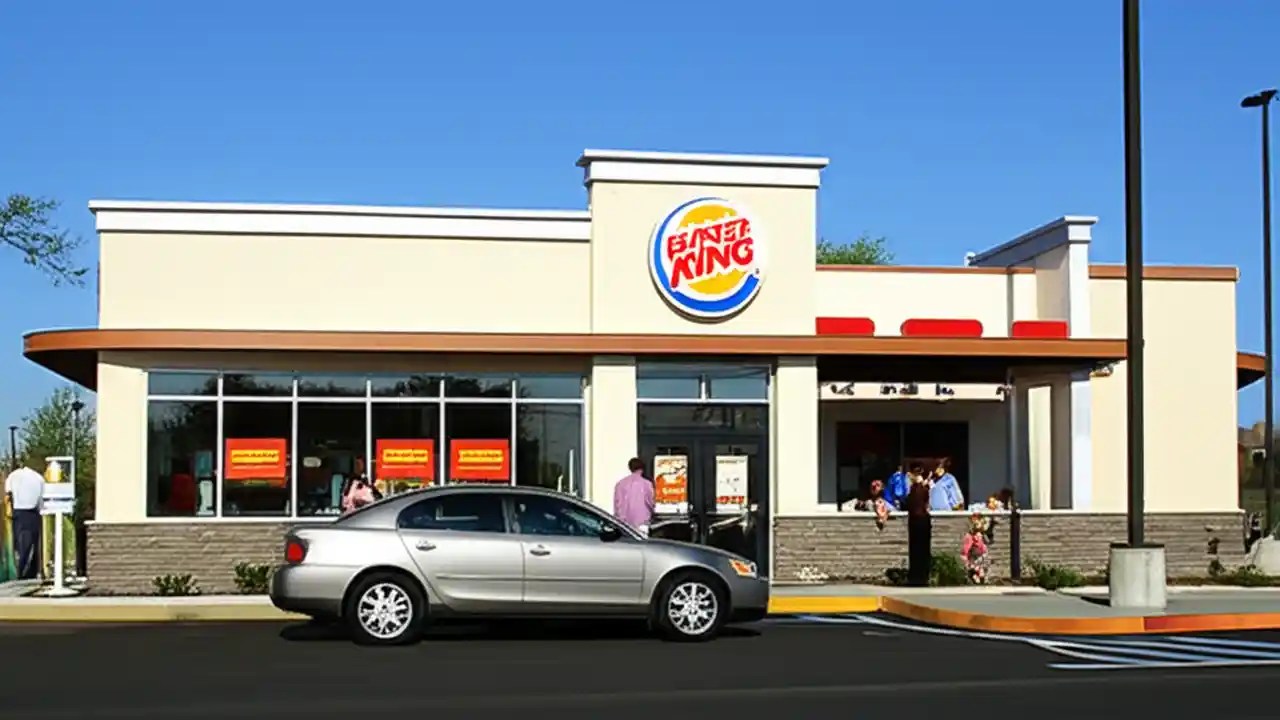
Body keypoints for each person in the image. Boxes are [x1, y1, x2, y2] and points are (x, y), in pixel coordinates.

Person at [4, 463, 44, 580]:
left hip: (19, 512)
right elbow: (42, 499)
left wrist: (9, 511)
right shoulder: (38, 477)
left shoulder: (13, 476)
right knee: (35, 543)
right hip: (34, 512)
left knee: (21, 543)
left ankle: (21, 572)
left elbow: (8, 495)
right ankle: (32, 570)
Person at [904, 463, 932, 587]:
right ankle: (918, 576)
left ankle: (919, 576)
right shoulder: (916, 488)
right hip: (918, 521)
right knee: (918, 550)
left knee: (920, 550)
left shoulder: (919, 489)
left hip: (919, 521)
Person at [613, 457, 654, 536]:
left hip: (624, 524)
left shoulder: (620, 484)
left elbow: (616, 505)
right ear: (642, 468)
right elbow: (650, 502)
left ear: (630, 468)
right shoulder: (646, 484)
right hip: (641, 522)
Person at [961, 513, 990, 584]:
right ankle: (974, 576)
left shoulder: (981, 534)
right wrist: (965, 556)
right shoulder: (970, 536)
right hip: (974, 556)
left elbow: (986, 542)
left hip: (980, 555)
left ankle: (979, 578)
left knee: (981, 569)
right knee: (975, 567)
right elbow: (966, 548)